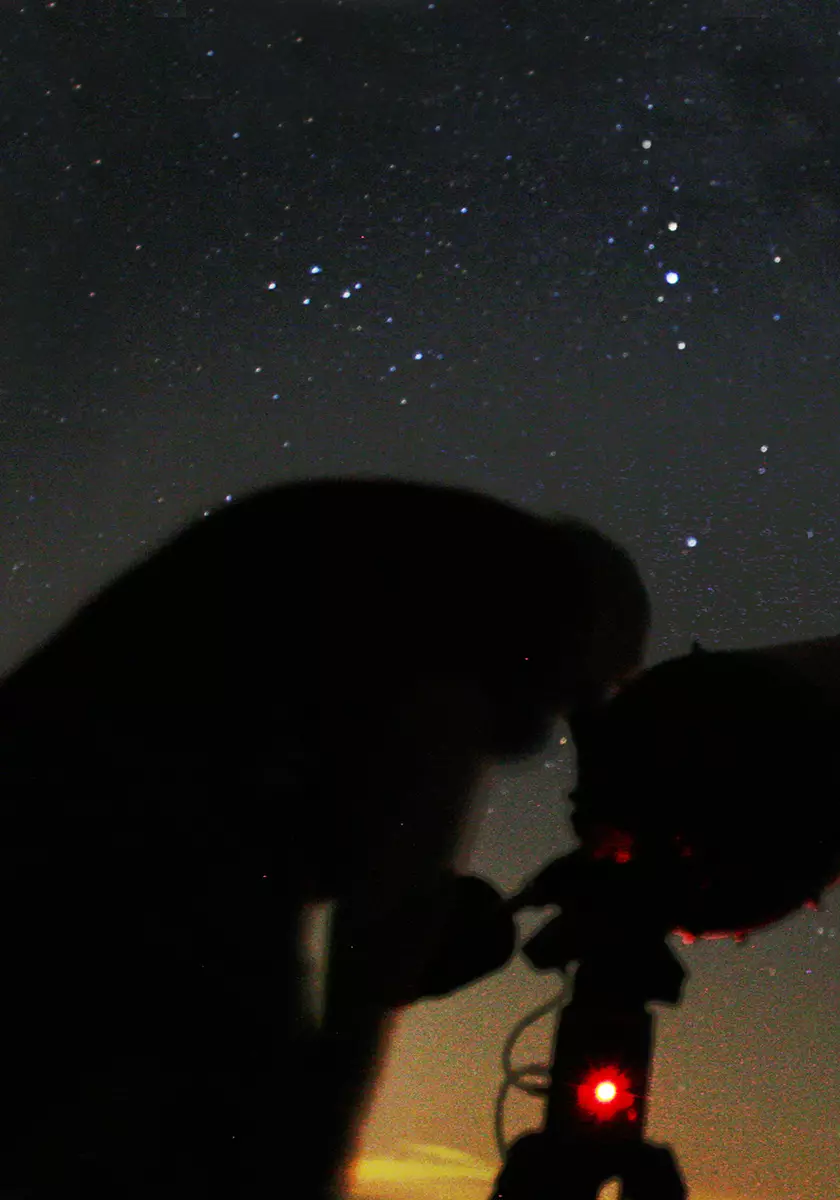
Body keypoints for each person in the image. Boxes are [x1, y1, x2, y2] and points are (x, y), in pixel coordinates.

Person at [0, 480, 649, 1200]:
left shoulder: (408, 551)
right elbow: (386, 910)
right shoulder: (516, 592)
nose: (556, 720)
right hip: (113, 843)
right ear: (580, 632)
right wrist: (322, 1133)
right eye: (576, 693)